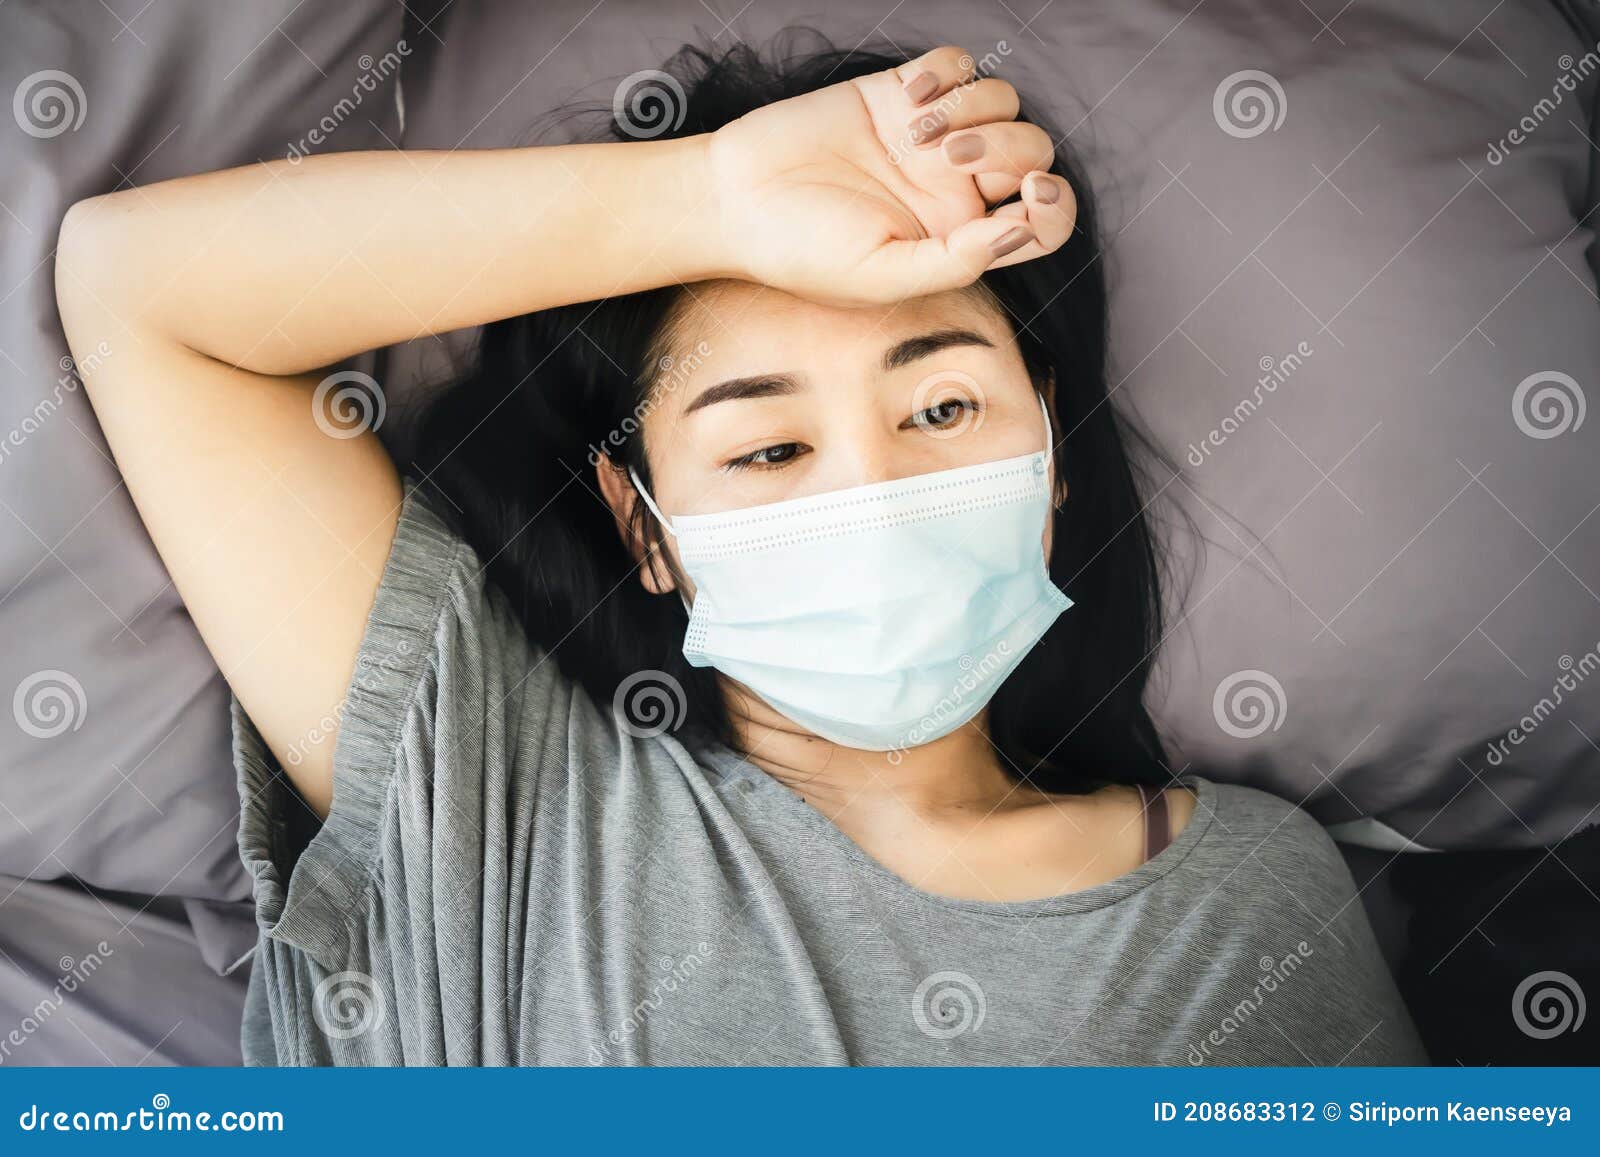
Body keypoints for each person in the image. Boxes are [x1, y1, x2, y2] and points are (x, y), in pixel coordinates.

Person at [55, 37, 1427, 1065]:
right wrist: (715, 196)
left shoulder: (1247, 899)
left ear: (1053, 455)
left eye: (941, 406)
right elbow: (146, 292)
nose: (877, 487)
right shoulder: (486, 792)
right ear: (643, 525)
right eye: (768, 450)